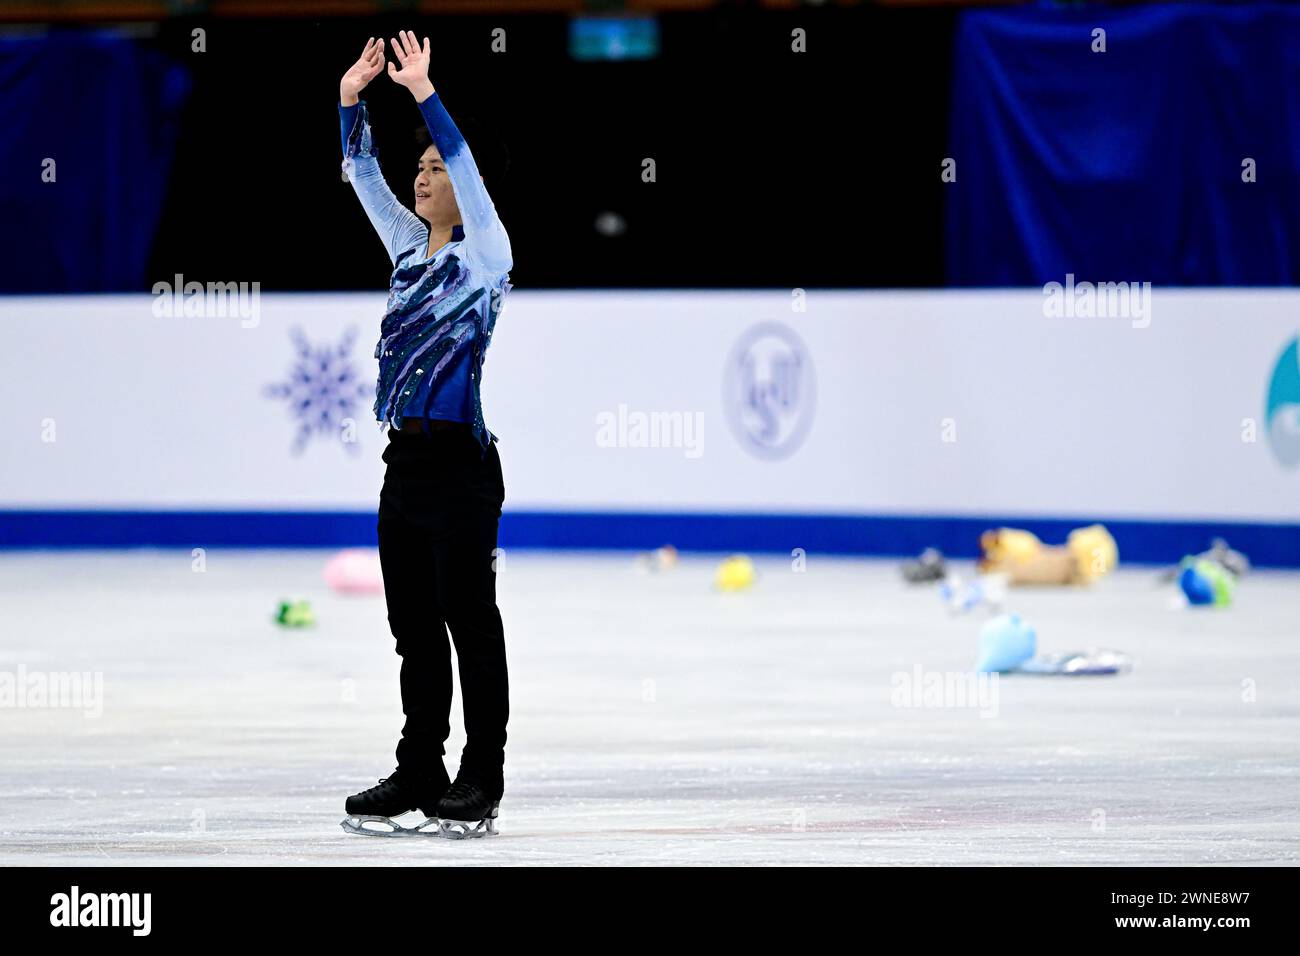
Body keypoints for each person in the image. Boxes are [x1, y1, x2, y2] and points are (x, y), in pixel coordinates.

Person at [337, 33, 512, 839]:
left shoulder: (484, 257)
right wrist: (351, 103)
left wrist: (425, 96)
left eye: (436, 170)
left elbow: (467, 167)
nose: (426, 175)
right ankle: (420, 767)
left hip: (462, 470)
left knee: (468, 621)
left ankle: (481, 776)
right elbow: (364, 176)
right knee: (412, 630)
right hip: (403, 465)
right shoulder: (410, 251)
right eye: (423, 170)